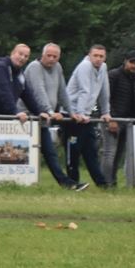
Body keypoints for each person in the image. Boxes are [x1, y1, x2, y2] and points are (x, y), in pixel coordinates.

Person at [22, 42, 87, 190]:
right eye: (48, 55)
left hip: (44, 119)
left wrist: (71, 112)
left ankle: (67, 184)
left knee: (51, 153)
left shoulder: (57, 68)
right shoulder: (34, 67)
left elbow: (62, 91)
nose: (51, 59)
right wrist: (50, 112)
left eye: (55, 57)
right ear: (42, 55)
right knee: (23, 153)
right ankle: (21, 183)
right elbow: (39, 92)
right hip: (29, 117)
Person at [64, 44, 112, 189]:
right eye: (95, 56)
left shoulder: (103, 67)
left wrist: (105, 112)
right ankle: (73, 183)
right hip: (72, 114)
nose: (98, 59)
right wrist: (81, 114)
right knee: (74, 150)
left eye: (101, 56)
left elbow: (104, 91)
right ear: (89, 55)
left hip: (86, 115)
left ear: (105, 57)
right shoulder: (85, 66)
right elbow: (84, 91)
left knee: (91, 151)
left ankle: (102, 184)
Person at [103, 51, 135, 186]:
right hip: (112, 119)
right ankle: (105, 182)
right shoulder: (113, 75)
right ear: (125, 61)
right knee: (109, 153)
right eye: (131, 62)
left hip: (127, 121)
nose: (134, 66)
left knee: (118, 154)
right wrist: (110, 117)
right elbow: (105, 98)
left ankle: (113, 181)